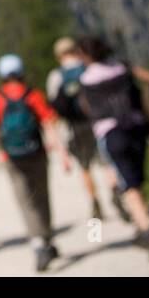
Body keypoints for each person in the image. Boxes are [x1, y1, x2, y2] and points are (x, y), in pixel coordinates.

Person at [75, 36, 149, 261]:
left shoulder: (86, 79)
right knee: (137, 179)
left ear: (85, 55)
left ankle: (146, 230)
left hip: (110, 133)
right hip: (136, 128)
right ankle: (141, 222)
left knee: (129, 184)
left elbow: (85, 108)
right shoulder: (121, 68)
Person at [0, 53, 70, 272]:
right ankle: (47, 238)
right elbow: (49, 122)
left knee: (25, 199)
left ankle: (37, 243)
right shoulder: (32, 95)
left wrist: (2, 149)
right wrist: (60, 151)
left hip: (12, 157)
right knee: (42, 195)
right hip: (37, 152)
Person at [46, 36, 125, 220]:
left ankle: (95, 201)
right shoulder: (88, 67)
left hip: (74, 127)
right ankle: (115, 191)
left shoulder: (56, 76)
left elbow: (53, 109)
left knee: (85, 167)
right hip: (97, 121)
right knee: (106, 162)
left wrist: (55, 137)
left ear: (58, 56)